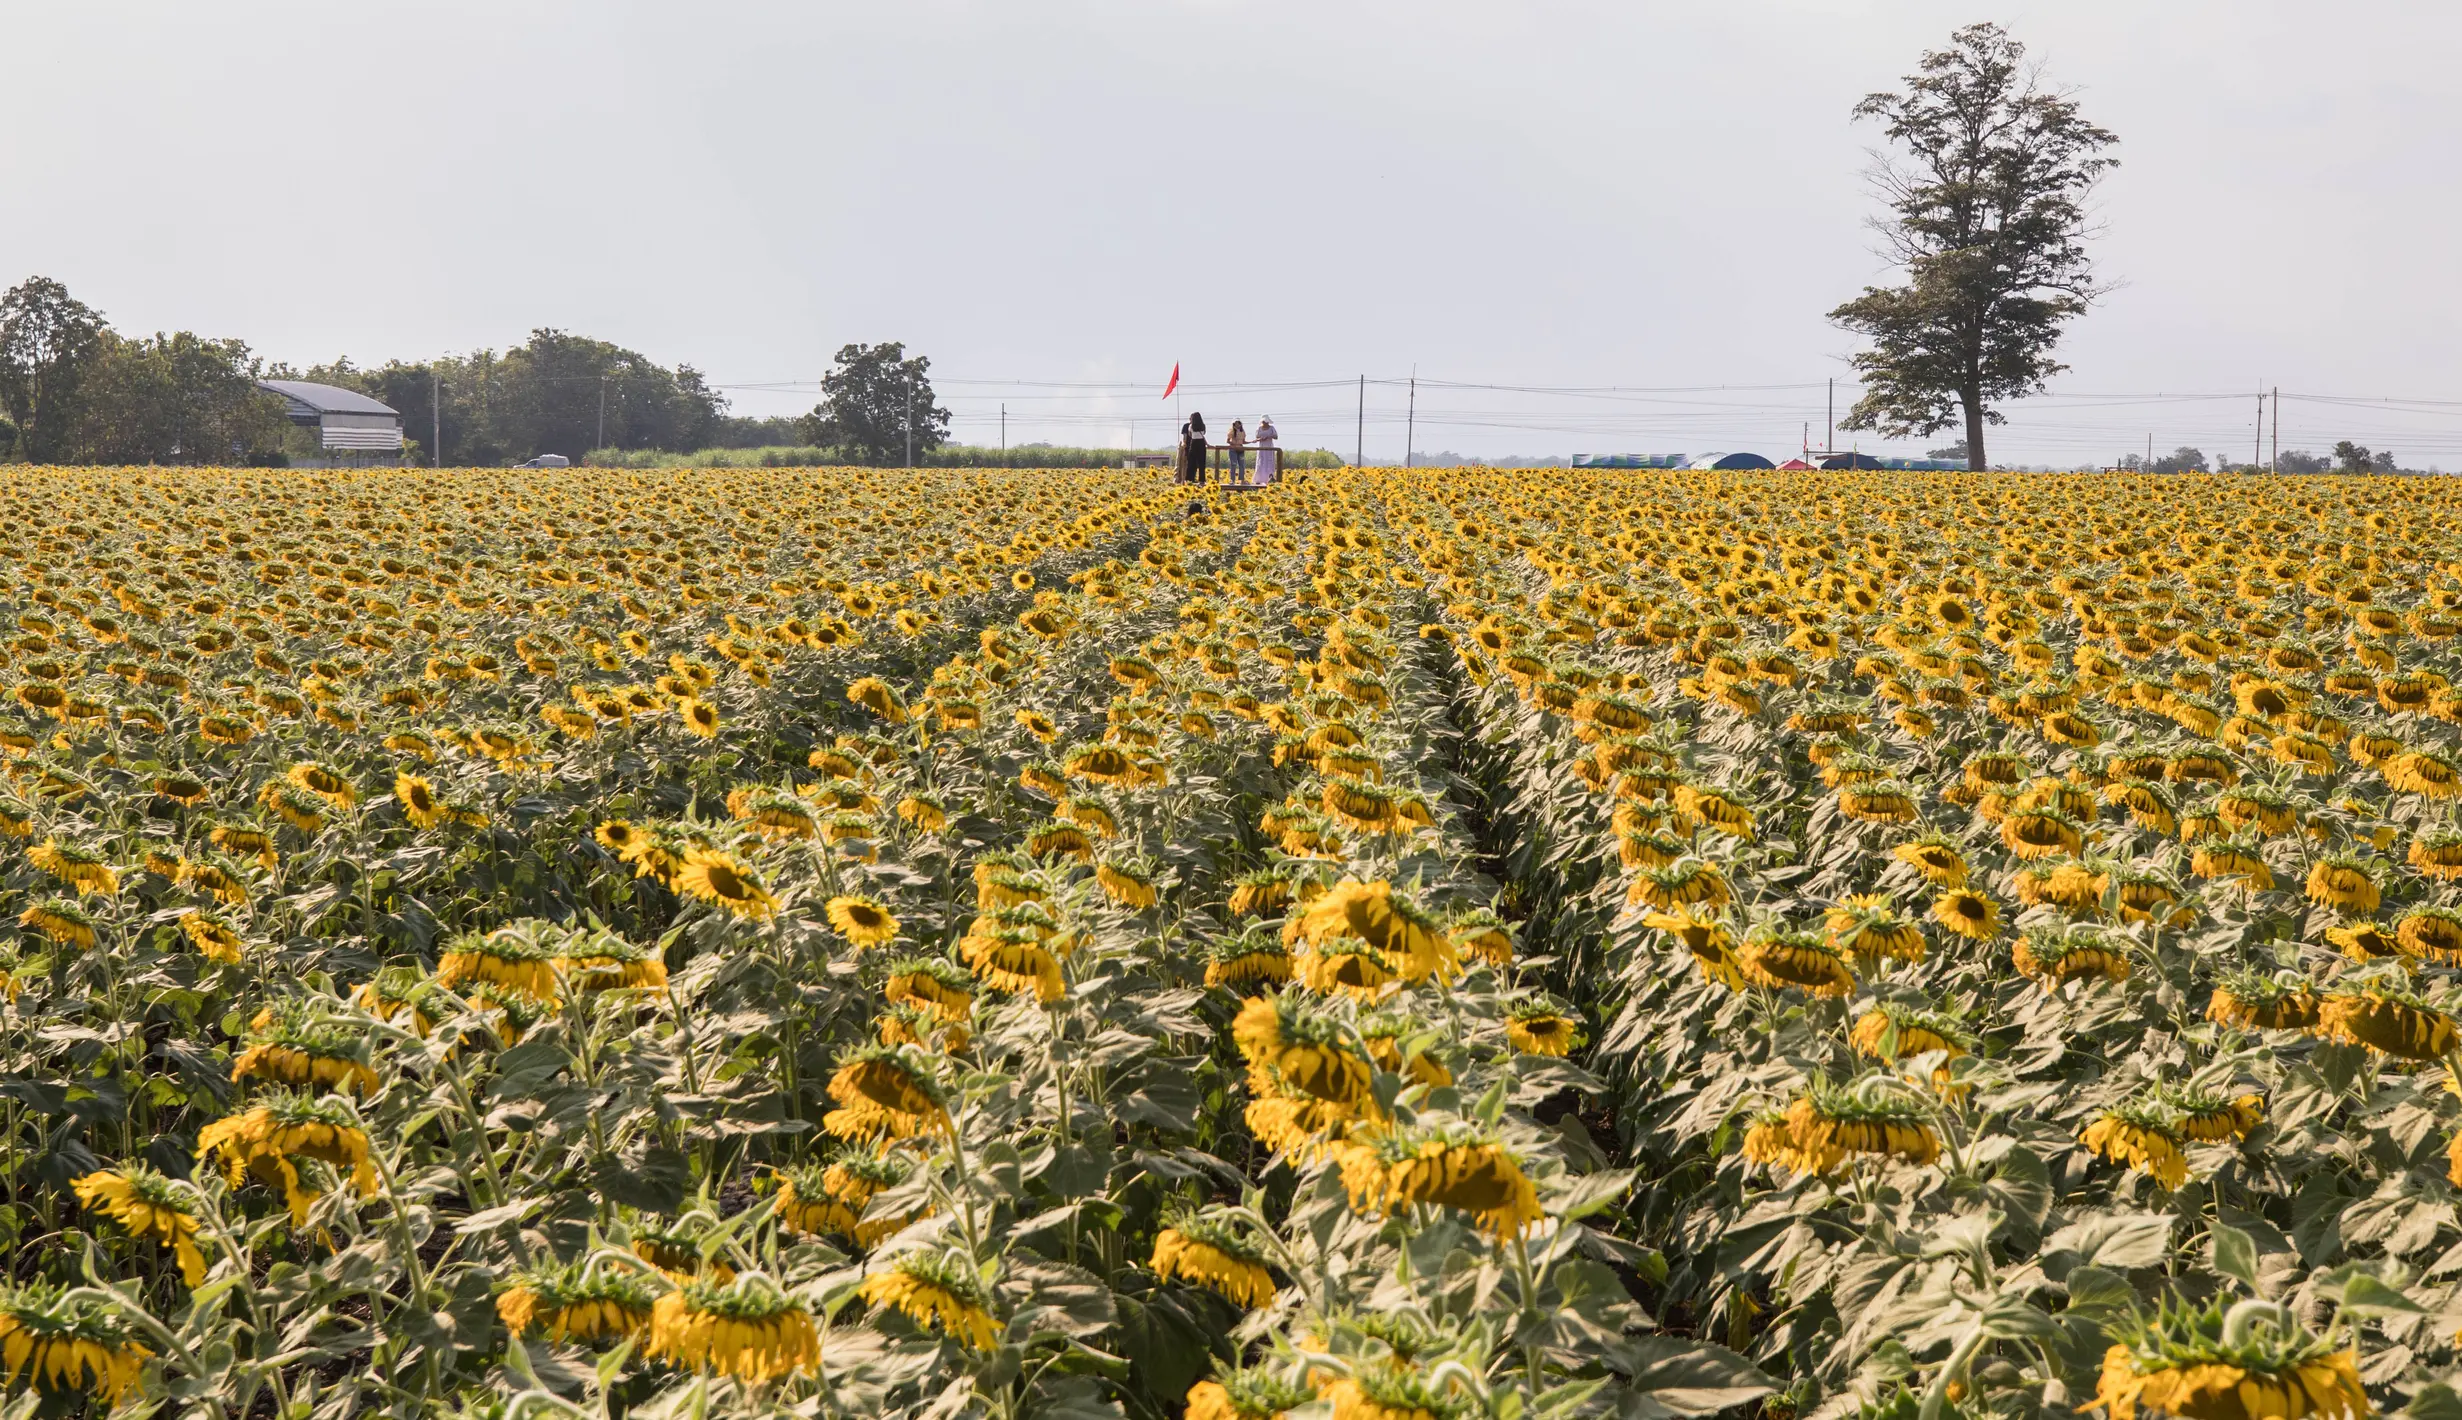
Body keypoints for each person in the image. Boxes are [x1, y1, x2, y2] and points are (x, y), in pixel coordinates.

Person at [1178, 413, 1207, 484]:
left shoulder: (1191, 426)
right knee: (1201, 463)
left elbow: (1190, 434)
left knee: (1191, 462)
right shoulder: (1203, 426)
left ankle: (1189, 478)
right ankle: (1202, 480)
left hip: (1194, 443)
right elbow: (1204, 434)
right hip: (1201, 444)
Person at [1251, 416, 1279, 486]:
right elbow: (1257, 436)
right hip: (1261, 447)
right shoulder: (1259, 428)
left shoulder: (1272, 428)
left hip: (1269, 447)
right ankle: (1259, 479)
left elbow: (1276, 437)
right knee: (1261, 462)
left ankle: (1270, 478)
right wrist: (1261, 438)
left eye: (1266, 422)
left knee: (1269, 462)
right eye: (1263, 422)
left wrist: (1269, 436)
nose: (1265, 423)